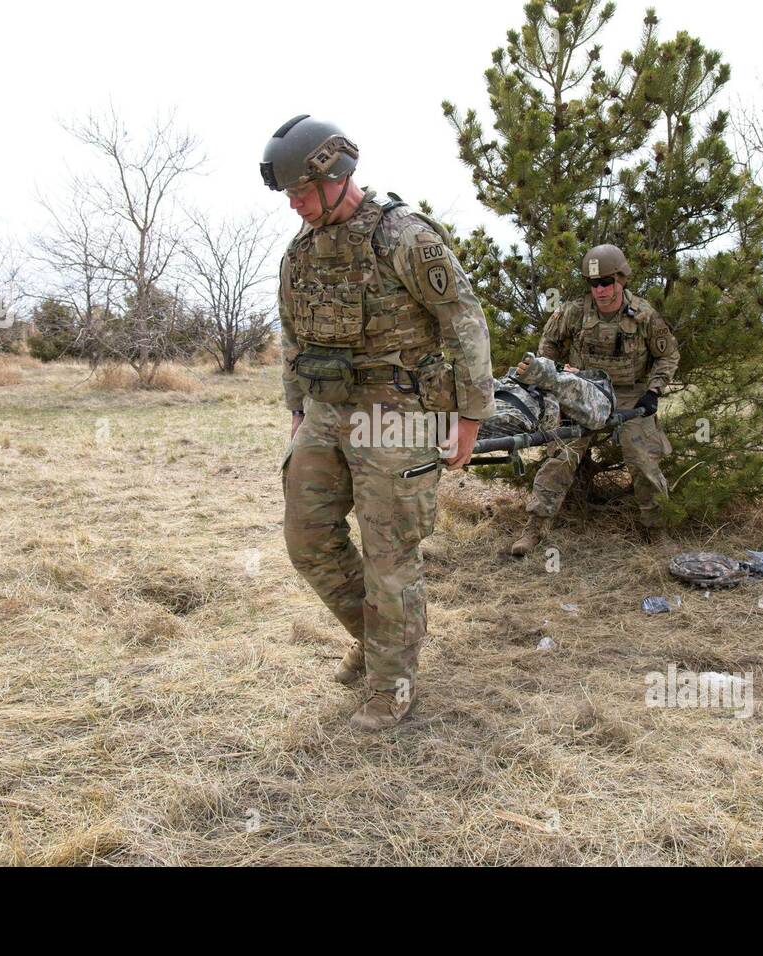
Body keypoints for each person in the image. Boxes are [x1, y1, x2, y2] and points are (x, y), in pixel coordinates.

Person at [263, 115, 496, 731]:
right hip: (325, 411)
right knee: (306, 537)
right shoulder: (302, 250)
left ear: (338, 174)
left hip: (395, 416)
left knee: (389, 552)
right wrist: (296, 409)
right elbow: (292, 335)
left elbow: (464, 321)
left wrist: (470, 416)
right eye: (289, 196)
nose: (297, 206)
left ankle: (392, 681)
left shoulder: (404, 237)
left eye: (304, 193)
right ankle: (375, 639)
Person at [510, 244, 679, 557]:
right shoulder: (574, 311)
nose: (599, 289)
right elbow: (549, 343)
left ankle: (657, 531)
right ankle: (533, 529)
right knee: (559, 457)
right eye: (593, 283)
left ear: (621, 278)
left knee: (643, 460)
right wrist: (553, 377)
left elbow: (667, 355)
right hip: (584, 393)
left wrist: (654, 390)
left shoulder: (643, 315)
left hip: (630, 395)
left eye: (605, 282)